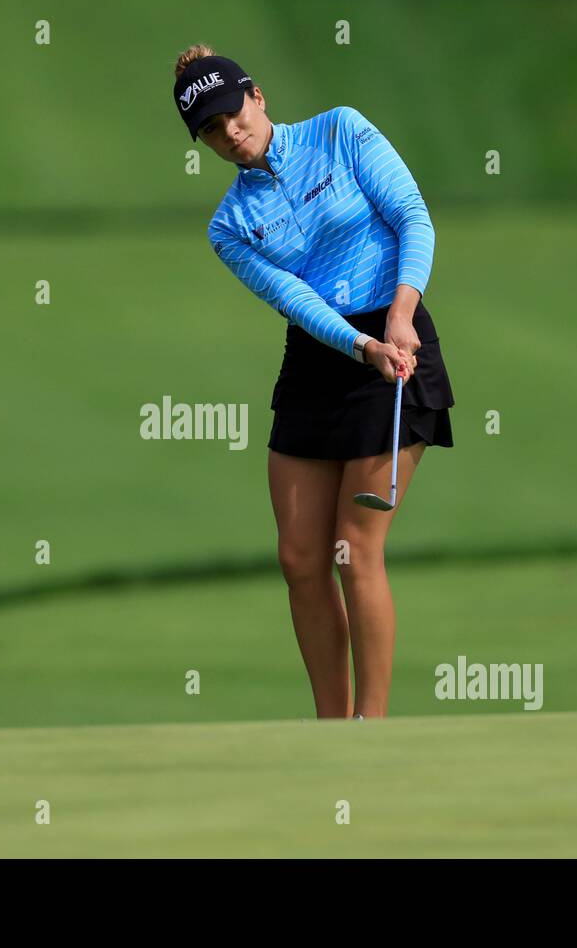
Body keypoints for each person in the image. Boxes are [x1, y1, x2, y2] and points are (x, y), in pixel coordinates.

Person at [172, 44, 456, 720]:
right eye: (210, 131)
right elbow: (296, 301)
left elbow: (412, 214)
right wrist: (359, 345)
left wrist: (400, 314)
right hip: (326, 354)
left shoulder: (342, 130)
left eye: (232, 115)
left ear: (258, 96)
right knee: (301, 557)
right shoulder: (228, 227)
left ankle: (372, 726)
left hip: (399, 335)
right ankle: (330, 730)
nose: (229, 135)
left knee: (354, 548)